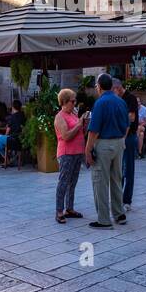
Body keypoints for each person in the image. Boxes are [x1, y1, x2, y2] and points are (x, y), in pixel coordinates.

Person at [84, 73, 128, 228]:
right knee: (116, 179)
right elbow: (127, 125)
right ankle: (119, 214)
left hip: (104, 144)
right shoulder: (120, 101)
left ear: (99, 86)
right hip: (119, 143)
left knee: (100, 182)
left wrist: (88, 150)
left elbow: (94, 130)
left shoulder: (100, 103)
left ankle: (103, 219)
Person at [53, 89, 88, 223]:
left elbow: (80, 133)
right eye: (73, 101)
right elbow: (66, 136)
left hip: (77, 152)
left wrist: (84, 124)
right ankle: (59, 211)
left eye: (75, 101)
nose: (75, 103)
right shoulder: (60, 117)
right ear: (64, 102)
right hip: (66, 153)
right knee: (63, 182)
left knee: (72, 182)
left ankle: (69, 208)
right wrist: (79, 124)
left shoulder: (73, 114)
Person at [115, 79, 141, 209]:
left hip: (129, 137)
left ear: (118, 88)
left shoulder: (130, 98)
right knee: (118, 169)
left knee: (128, 169)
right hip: (118, 137)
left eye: (113, 90)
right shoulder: (116, 99)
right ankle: (118, 198)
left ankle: (127, 200)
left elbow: (131, 117)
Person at [0, 98, 25, 166]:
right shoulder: (23, 115)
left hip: (12, 140)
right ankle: (8, 161)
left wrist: (4, 137)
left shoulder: (12, 117)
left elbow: (7, 130)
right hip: (20, 140)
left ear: (13, 107)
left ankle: (9, 158)